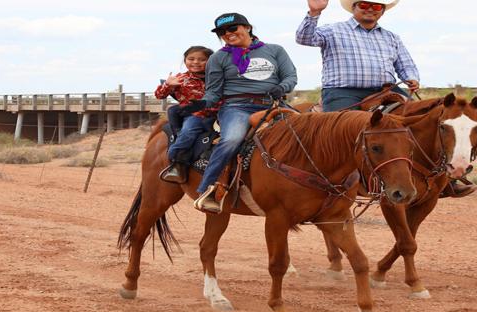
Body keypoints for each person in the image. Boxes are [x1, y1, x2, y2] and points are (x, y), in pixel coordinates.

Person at [195, 12, 299, 212]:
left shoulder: (275, 50)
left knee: (308, 131)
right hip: (237, 107)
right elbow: (214, 92)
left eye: (233, 28)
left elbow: (290, 75)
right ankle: (207, 189)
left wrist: (282, 87)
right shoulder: (219, 58)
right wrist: (197, 104)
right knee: (232, 139)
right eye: (222, 32)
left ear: (248, 28)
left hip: (272, 104)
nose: (228, 34)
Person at [296, 0, 421, 112]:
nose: (370, 9)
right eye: (364, 5)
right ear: (354, 7)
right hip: (343, 92)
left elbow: (406, 65)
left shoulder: (392, 37)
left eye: (376, 6)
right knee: (344, 128)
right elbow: (304, 39)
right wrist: (314, 12)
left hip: (385, 91)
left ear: (382, 11)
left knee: (418, 115)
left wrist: (412, 78)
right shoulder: (333, 30)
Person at [155, 46, 216, 183]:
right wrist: (168, 85)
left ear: (210, 61)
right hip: (195, 115)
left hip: (217, 113)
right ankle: (177, 161)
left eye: (202, 59)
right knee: (189, 132)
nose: (196, 62)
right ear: (185, 60)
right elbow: (159, 95)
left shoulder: (215, 77)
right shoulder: (181, 78)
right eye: (191, 59)